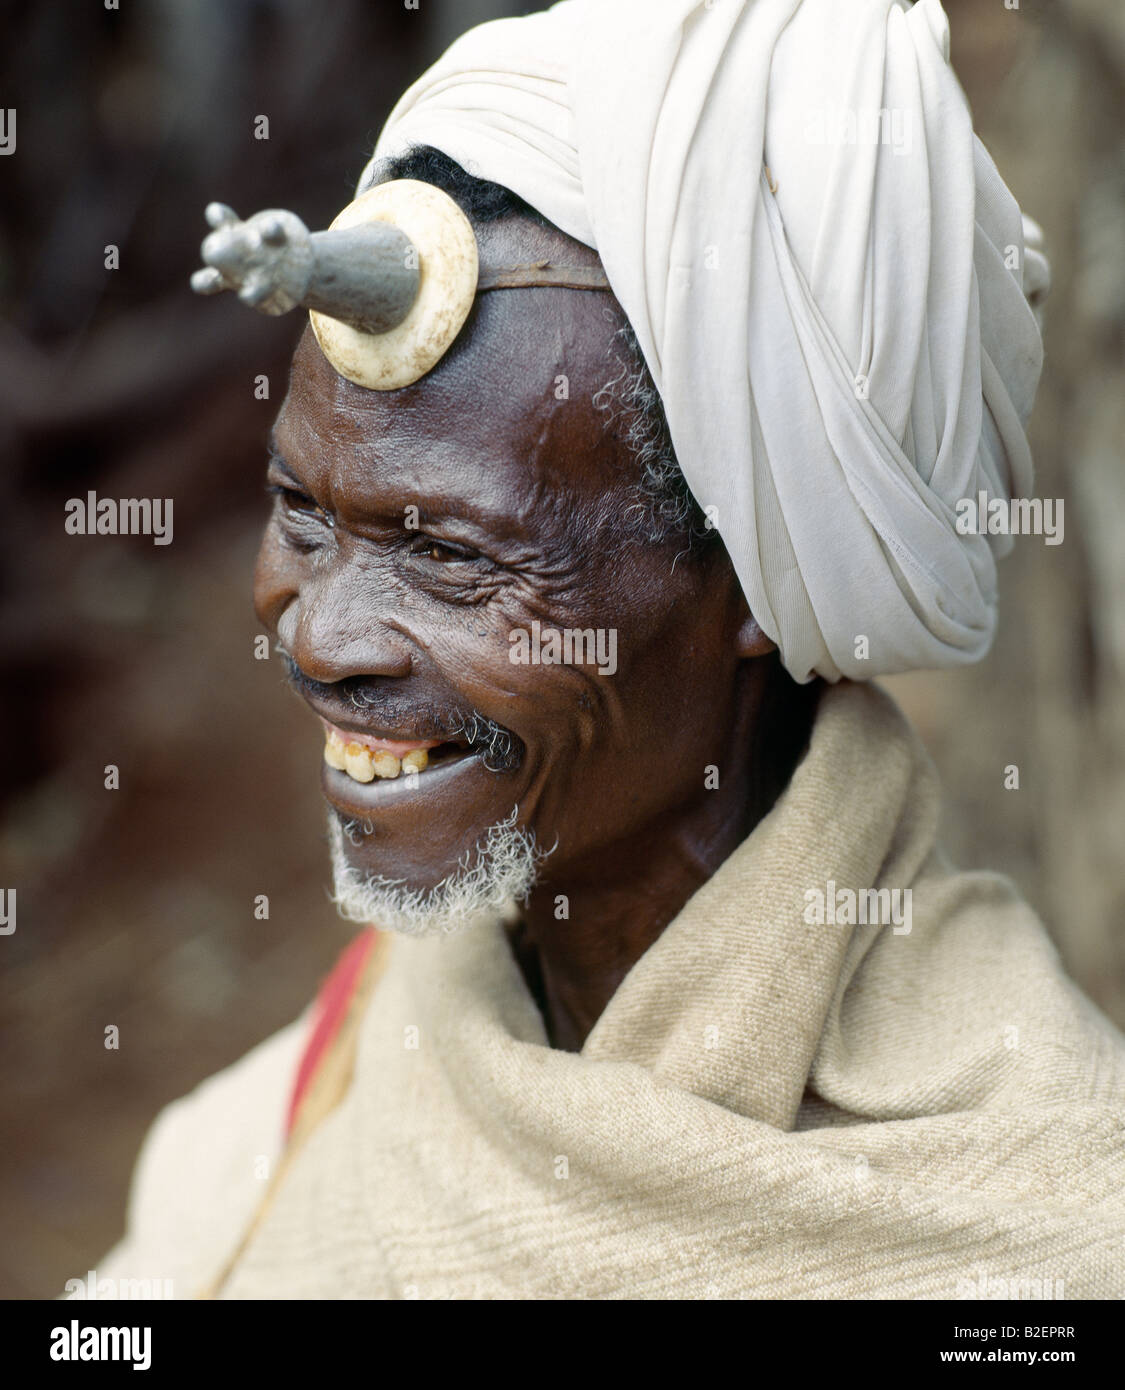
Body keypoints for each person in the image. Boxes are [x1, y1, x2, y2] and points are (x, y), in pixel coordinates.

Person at [90, 0, 1124, 1299]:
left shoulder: (1043, 1236)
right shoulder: (372, 1035)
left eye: (450, 554)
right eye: (305, 512)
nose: (322, 631)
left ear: (752, 578)